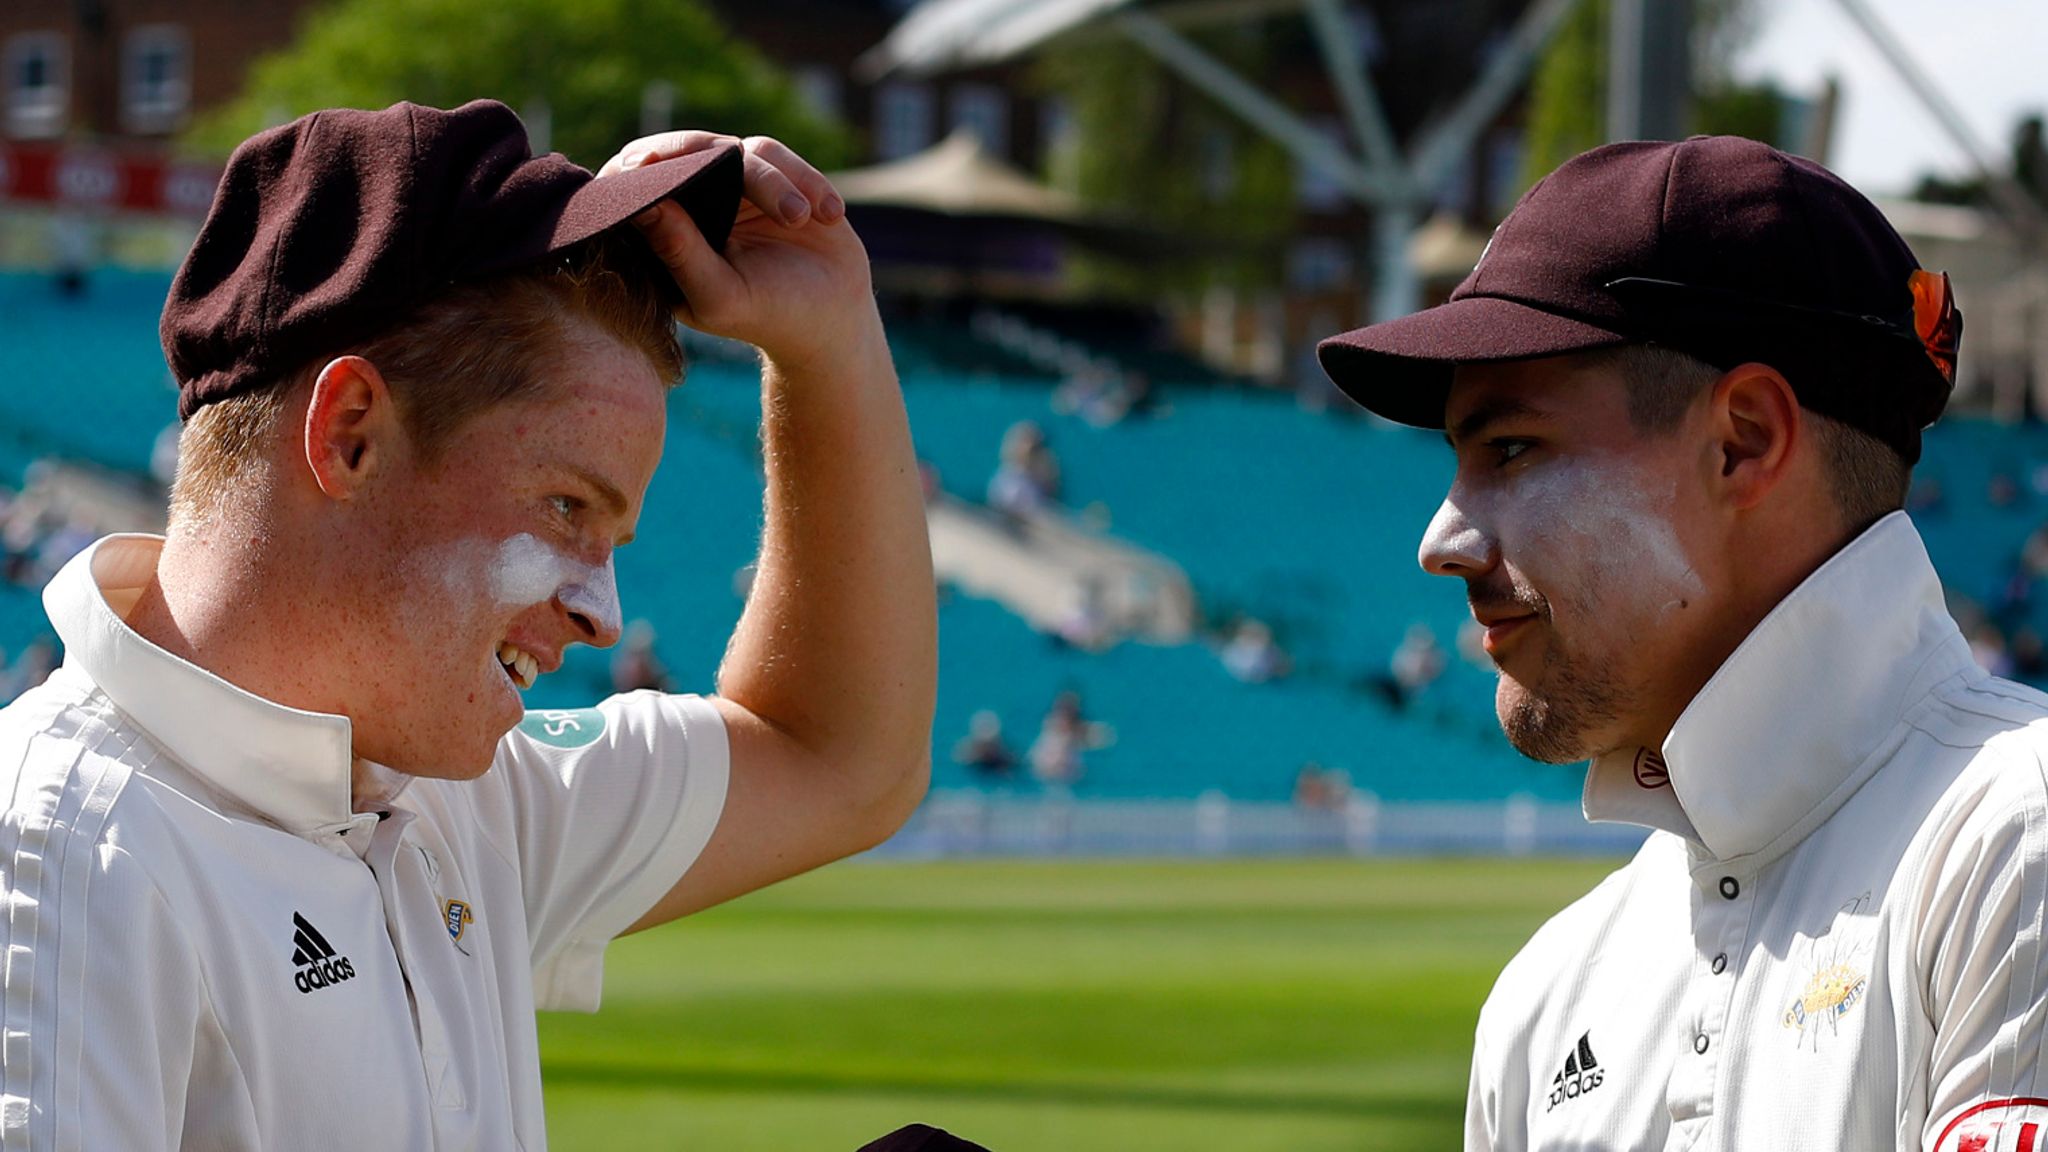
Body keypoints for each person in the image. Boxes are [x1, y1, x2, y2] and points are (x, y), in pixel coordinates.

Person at [0, 99, 936, 1149]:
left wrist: (829, 344)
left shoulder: (454, 797)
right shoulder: (61, 858)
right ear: (350, 436)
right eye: (566, 508)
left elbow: (836, 754)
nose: (599, 613)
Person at [1316, 136, 2041, 1150]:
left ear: (1741, 440)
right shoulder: (1546, 996)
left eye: (1511, 447)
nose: (1439, 541)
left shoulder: (2015, 844)